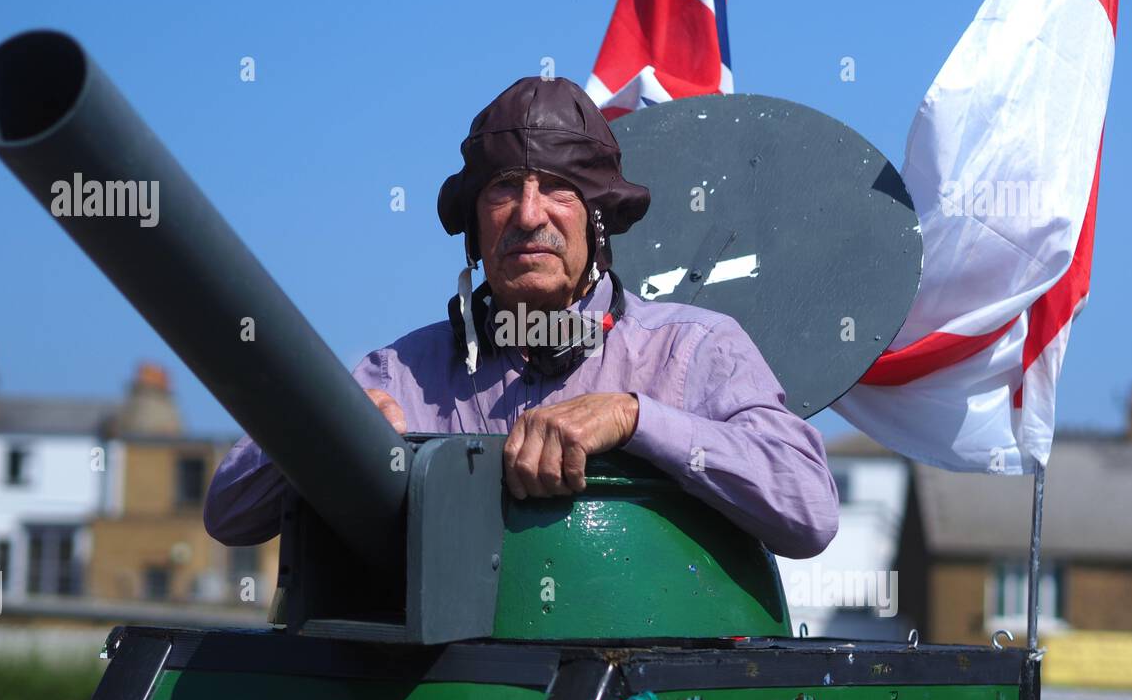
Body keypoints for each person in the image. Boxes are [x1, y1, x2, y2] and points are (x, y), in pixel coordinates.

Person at [204, 77, 839, 558]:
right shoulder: (401, 373)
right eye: (503, 188)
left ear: (598, 221)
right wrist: (327, 430)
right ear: (475, 229)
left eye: (558, 188)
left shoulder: (692, 351)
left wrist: (635, 418)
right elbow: (228, 514)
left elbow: (809, 510)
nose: (528, 214)